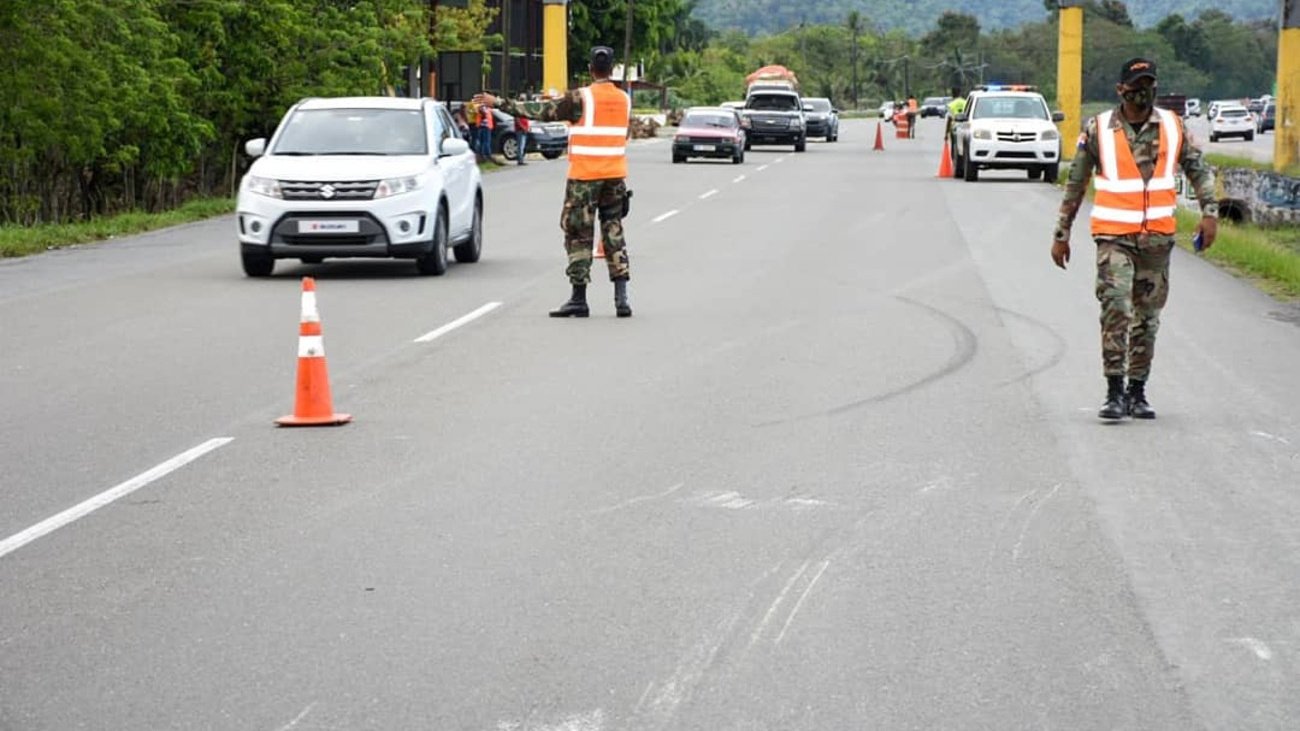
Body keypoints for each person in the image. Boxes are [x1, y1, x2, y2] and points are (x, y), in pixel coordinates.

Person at [1051, 57, 1218, 420]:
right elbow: (1076, 183)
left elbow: (1199, 171)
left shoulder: (1173, 127)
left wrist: (1210, 213)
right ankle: (1113, 391)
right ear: (1121, 90)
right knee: (1116, 309)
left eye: (1149, 83)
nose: (1143, 91)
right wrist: (1062, 233)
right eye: (1136, 84)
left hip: (1156, 240)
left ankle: (1137, 391)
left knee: (1147, 319)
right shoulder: (1098, 130)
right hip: (1114, 237)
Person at [473, 46, 633, 318]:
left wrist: (498, 102)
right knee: (613, 232)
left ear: (590, 69)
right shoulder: (624, 100)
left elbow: (540, 110)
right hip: (615, 176)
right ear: (611, 68)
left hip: (584, 177)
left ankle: (578, 299)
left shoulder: (580, 98)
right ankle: (622, 298)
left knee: (579, 234)